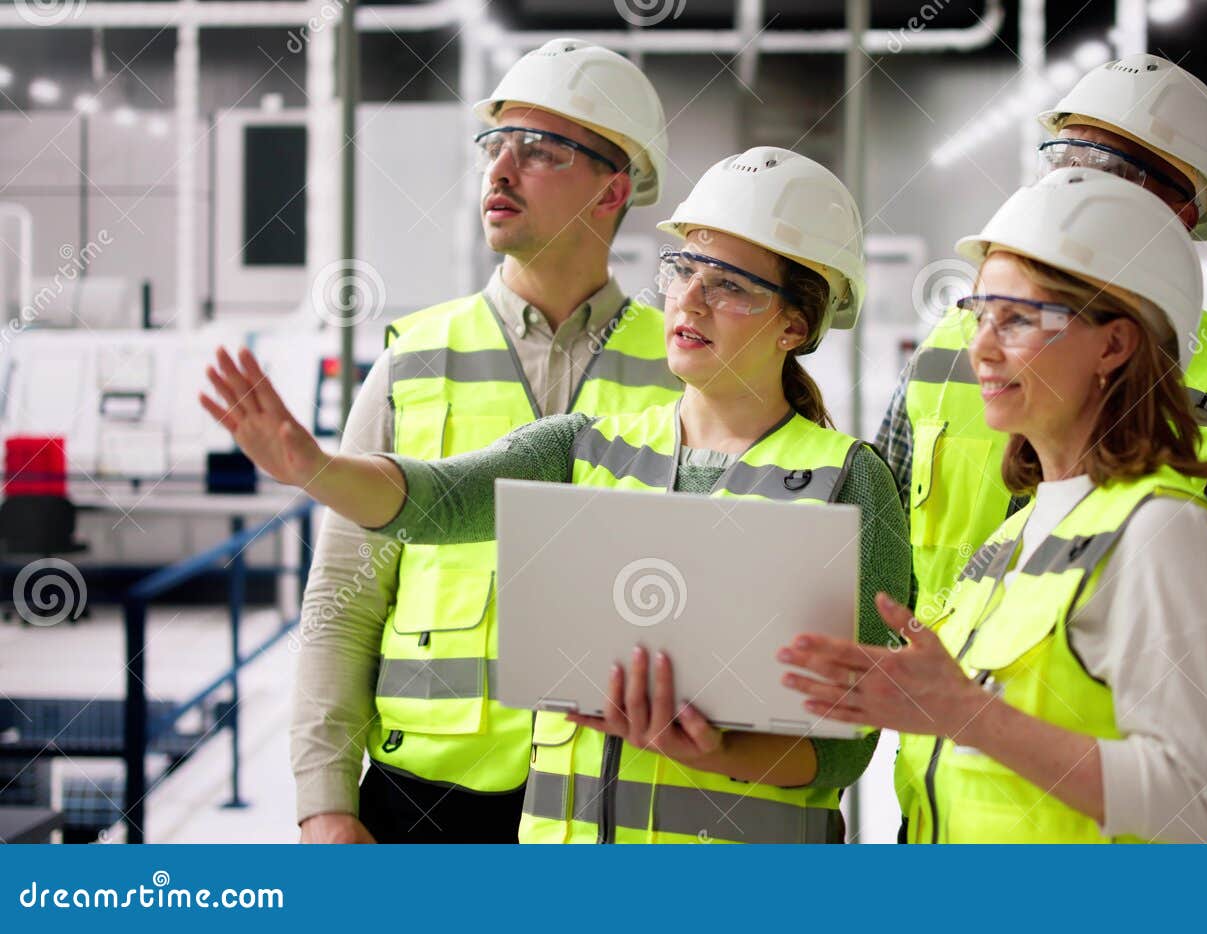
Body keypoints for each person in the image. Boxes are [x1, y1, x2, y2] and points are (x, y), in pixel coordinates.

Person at [204, 147, 910, 845]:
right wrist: (315, 467)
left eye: (729, 285)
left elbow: (848, 741)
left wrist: (716, 753)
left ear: (794, 324)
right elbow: (438, 500)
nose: (689, 299)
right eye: (683, 270)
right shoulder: (583, 447)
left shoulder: (848, 482)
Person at [877, 53, 1207, 842]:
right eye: (1061, 158)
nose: (1072, 183)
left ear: (1180, 211)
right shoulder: (953, 352)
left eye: (1109, 167)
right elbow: (864, 562)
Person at [292, 38, 681, 844]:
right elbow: (342, 598)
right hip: (426, 801)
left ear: (613, 190)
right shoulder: (416, 358)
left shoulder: (682, 370)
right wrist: (325, 804)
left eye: (538, 151)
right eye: (492, 147)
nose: (499, 172)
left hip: (617, 798)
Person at [780, 167, 1207, 843]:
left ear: (1114, 344)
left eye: (1018, 320)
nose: (980, 350)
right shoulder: (1019, 534)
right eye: (979, 315)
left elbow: (1187, 804)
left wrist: (966, 713)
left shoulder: (1159, 533)